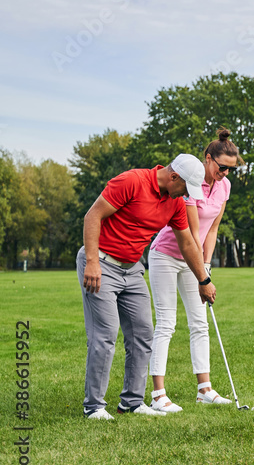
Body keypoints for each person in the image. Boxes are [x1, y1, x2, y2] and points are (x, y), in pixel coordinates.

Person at [79, 154, 217, 420]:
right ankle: (93, 406)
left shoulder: (175, 202)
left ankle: (131, 401)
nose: (187, 195)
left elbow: (187, 242)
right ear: (174, 177)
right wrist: (92, 262)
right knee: (105, 334)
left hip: (132, 269)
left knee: (143, 333)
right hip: (102, 263)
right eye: (186, 188)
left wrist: (203, 279)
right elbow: (92, 216)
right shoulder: (131, 181)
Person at [147, 129, 243, 411]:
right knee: (166, 323)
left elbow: (212, 229)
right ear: (208, 159)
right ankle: (158, 395)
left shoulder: (224, 187)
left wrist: (207, 267)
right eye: (221, 167)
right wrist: (202, 275)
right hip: (166, 254)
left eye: (230, 169)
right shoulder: (192, 183)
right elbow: (191, 231)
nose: (224, 173)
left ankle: (205, 390)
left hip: (197, 261)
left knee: (200, 323)